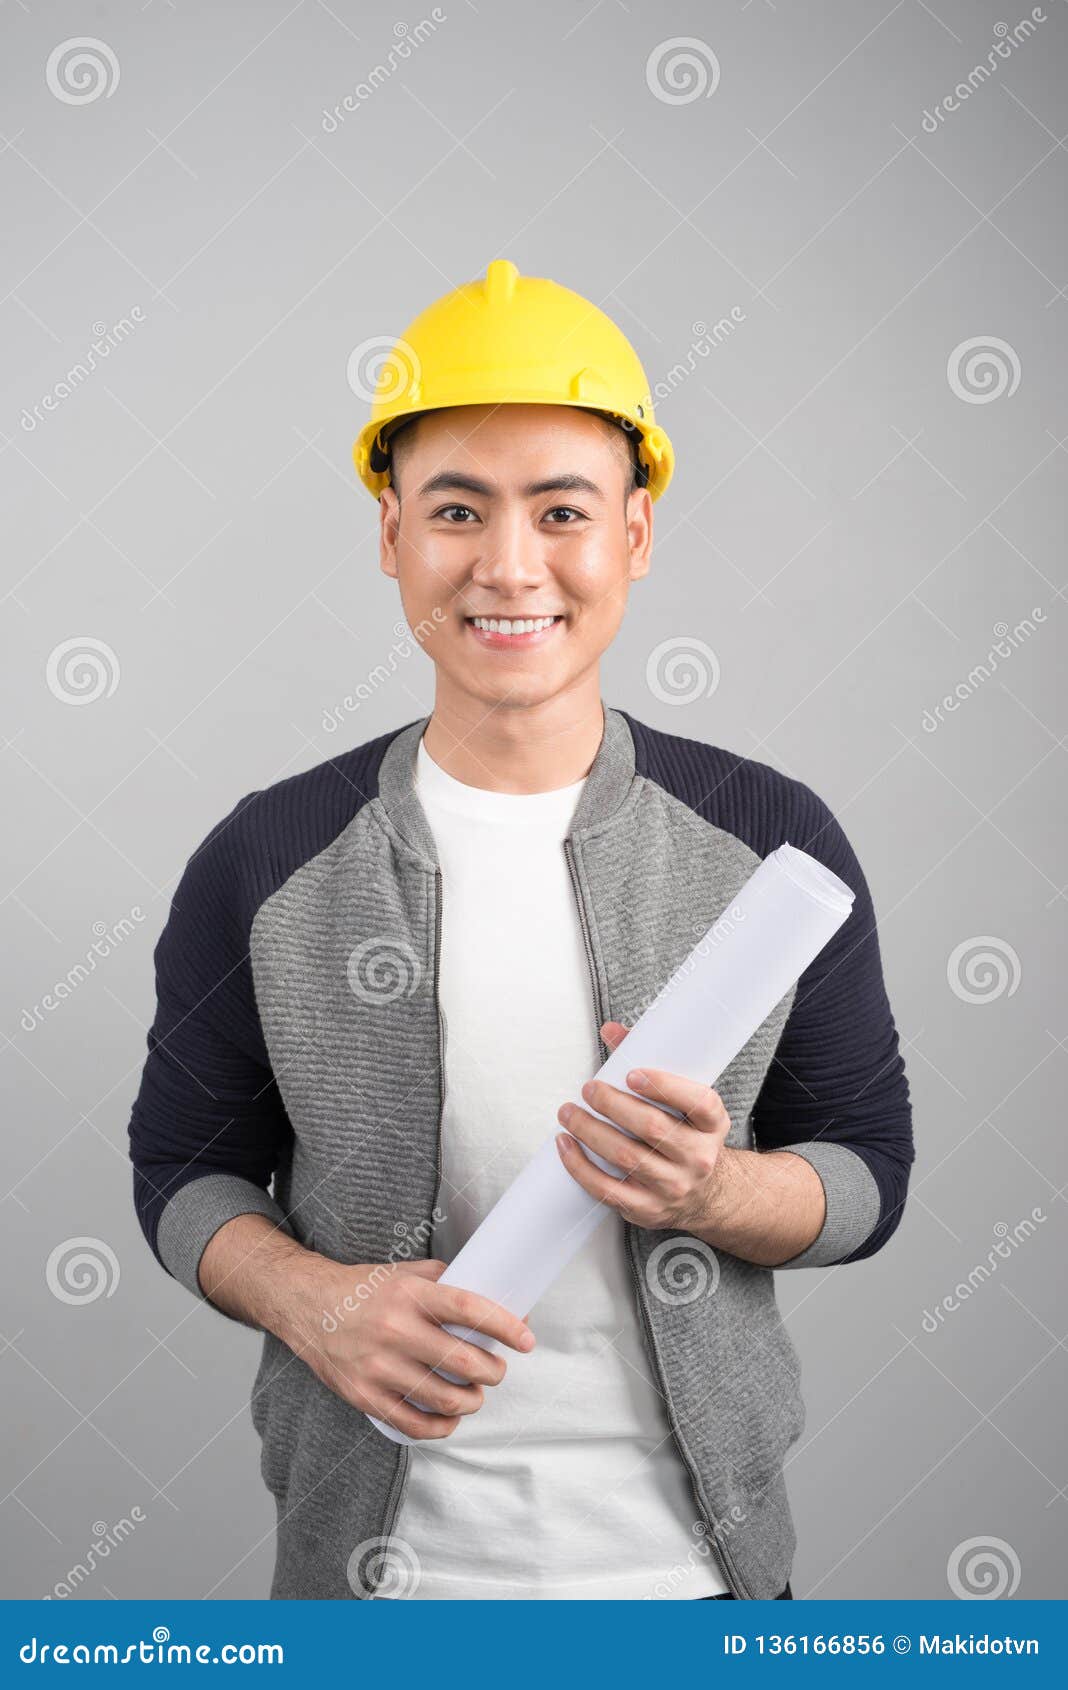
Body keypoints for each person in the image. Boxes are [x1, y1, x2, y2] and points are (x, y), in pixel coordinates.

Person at [127, 259, 914, 1602]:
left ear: (635, 534)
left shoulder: (767, 842)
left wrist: (712, 1192)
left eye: (562, 511)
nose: (508, 565)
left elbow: (868, 1176)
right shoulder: (266, 856)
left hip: (701, 1592)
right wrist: (315, 1300)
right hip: (376, 1596)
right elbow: (183, 1173)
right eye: (455, 510)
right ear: (391, 533)